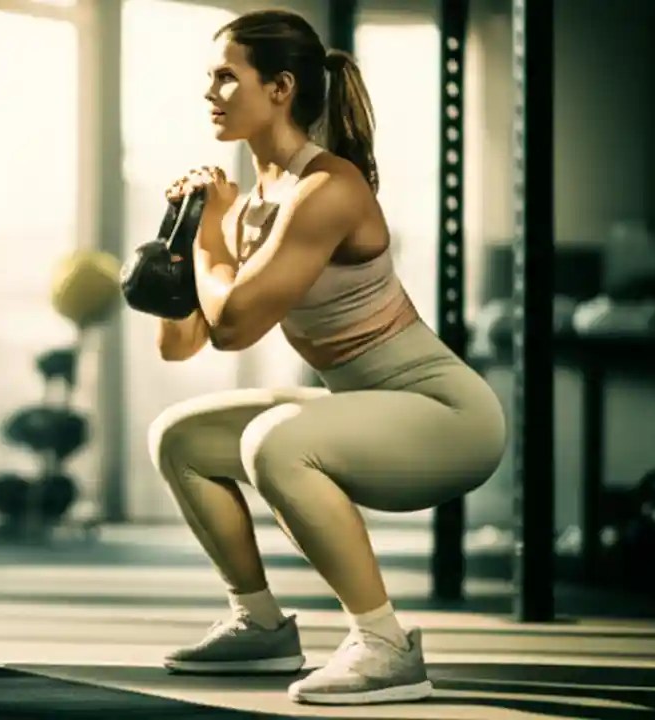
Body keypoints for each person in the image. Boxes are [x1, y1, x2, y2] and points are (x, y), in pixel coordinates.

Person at [147, 9, 507, 707]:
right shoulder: (253, 204)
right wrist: (181, 238)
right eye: (210, 79)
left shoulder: (328, 189)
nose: (210, 93)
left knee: (271, 443)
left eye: (227, 77)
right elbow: (182, 342)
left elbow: (235, 327)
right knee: (180, 438)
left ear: (279, 88)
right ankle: (259, 624)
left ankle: (385, 646)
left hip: (449, 418)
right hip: (366, 408)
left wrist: (210, 236)